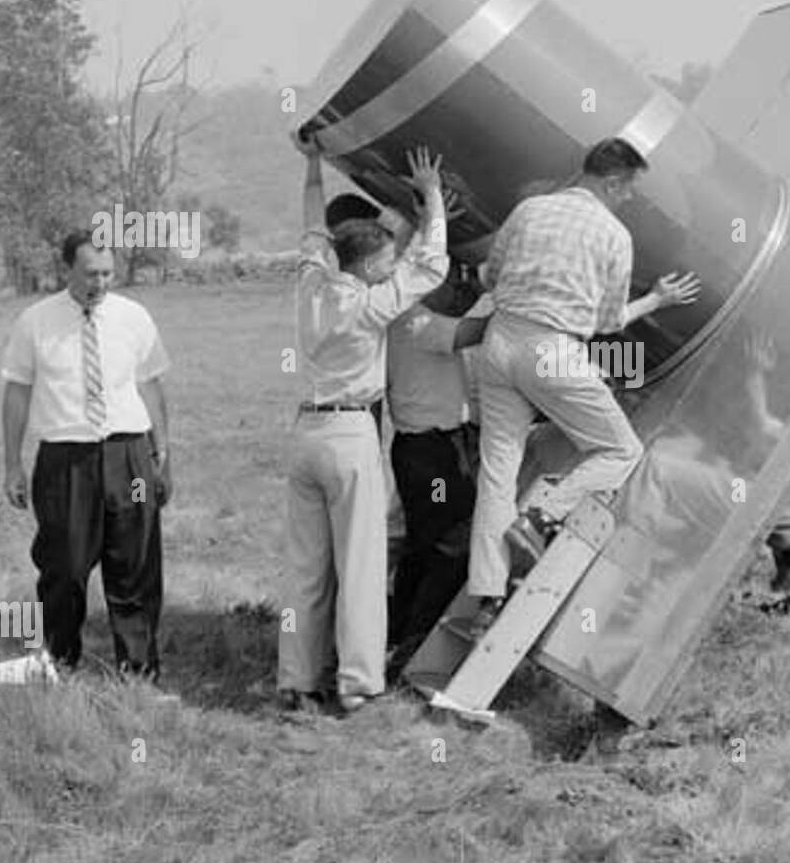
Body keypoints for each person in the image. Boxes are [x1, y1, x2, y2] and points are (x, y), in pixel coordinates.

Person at [462, 136, 700, 639]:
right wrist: (657, 300)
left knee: (497, 471)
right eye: (630, 188)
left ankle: (487, 596)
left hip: (499, 340)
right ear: (612, 182)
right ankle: (541, 516)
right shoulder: (614, 236)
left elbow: (491, 276)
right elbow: (609, 323)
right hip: (552, 349)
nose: (631, 198)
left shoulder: (529, 211)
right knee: (619, 449)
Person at [278, 133, 447, 715]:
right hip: (351, 435)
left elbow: (310, 230)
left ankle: (297, 680)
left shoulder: (312, 287)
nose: (388, 265)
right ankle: (356, 682)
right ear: (371, 264)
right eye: (383, 260)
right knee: (361, 561)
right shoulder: (372, 305)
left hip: (305, 434)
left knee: (305, 567)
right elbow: (431, 265)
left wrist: (313, 169)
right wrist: (432, 198)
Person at [1, 231, 172, 679]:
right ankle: (60, 662)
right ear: (66, 270)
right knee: (65, 567)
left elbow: (151, 386)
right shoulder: (35, 322)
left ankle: (137, 671)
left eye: (107, 273)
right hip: (65, 460)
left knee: (134, 563)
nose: (101, 282)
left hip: (128, 455)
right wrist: (12, 463)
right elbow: (17, 392)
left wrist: (162, 454)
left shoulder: (133, 317)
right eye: (90, 273)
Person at [385, 254, 492, 677]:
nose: (457, 291)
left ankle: (400, 629)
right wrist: (522, 305)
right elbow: (473, 329)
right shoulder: (417, 323)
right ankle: (418, 639)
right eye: (450, 282)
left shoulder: (417, 315)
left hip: (434, 447)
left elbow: (462, 309)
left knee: (423, 541)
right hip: (431, 457)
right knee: (452, 541)